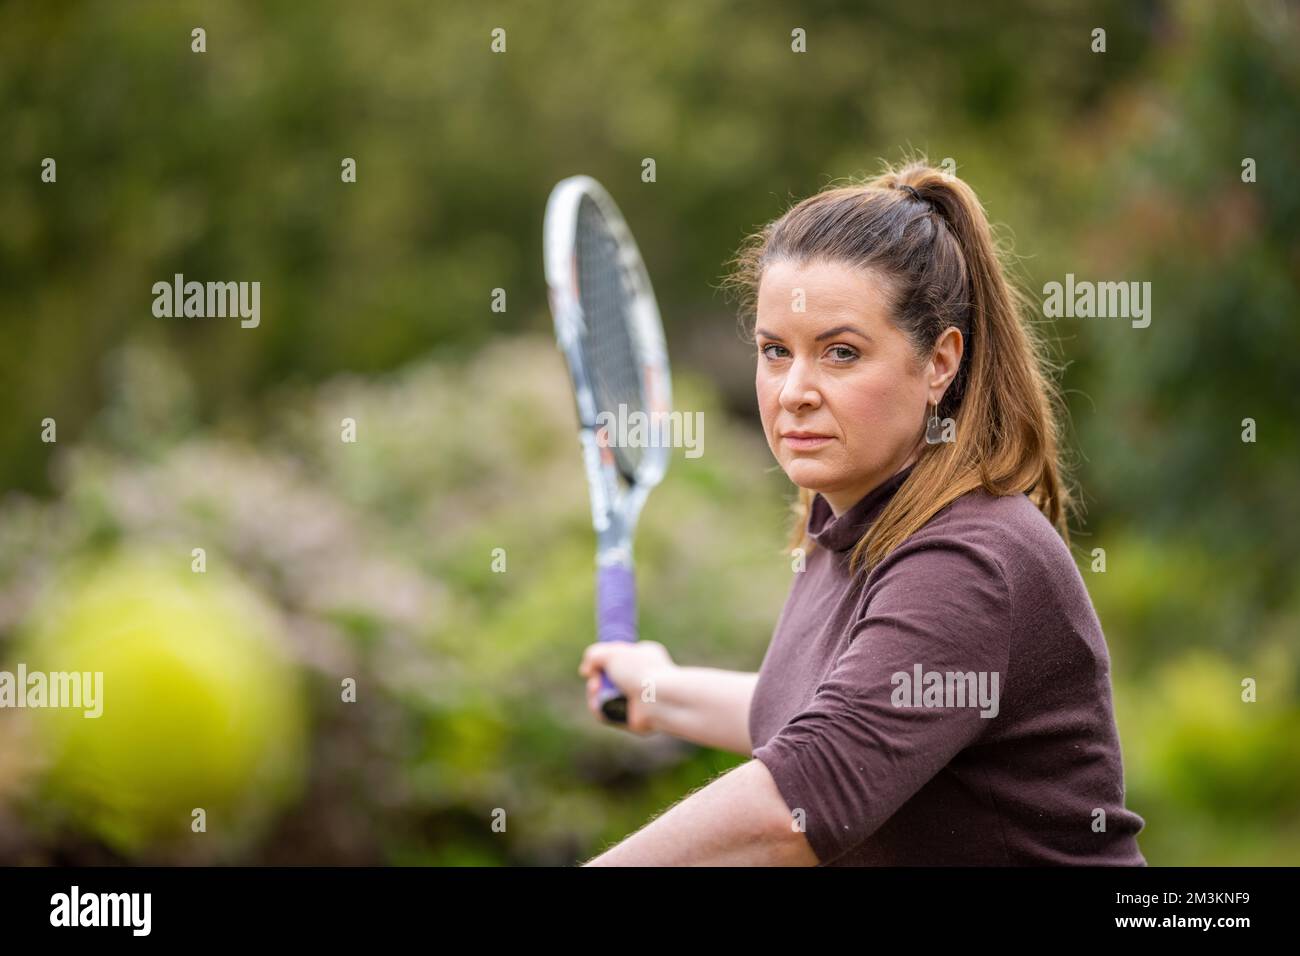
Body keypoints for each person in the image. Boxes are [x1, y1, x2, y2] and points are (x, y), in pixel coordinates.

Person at [578, 159, 1146, 866]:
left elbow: (798, 803)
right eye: (775, 352)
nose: (794, 391)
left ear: (939, 362)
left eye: (840, 353)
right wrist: (662, 690)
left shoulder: (969, 561)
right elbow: (839, 710)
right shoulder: (852, 521)